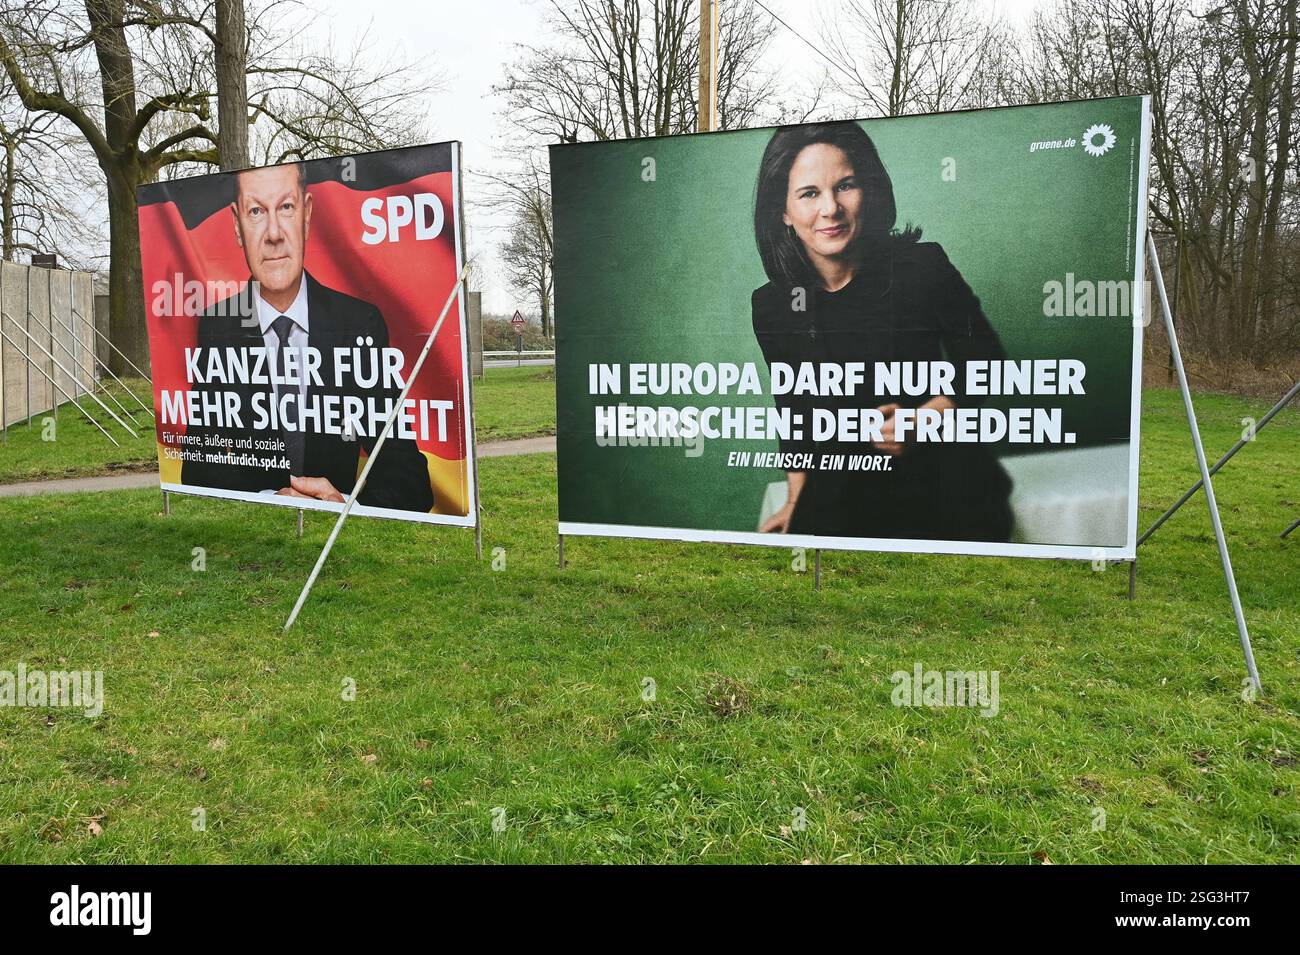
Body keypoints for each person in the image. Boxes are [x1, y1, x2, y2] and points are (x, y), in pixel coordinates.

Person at [751, 122, 1012, 542]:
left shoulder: (922, 267)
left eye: (846, 185)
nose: (831, 209)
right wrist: (796, 501)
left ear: (868, 190)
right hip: (842, 480)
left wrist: (927, 418)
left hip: (939, 468)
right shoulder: (772, 304)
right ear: (782, 210)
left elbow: (986, 360)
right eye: (809, 193)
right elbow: (794, 407)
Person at [180, 162, 434, 513]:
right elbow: (197, 470)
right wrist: (269, 500)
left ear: (307, 214)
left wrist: (343, 505)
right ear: (237, 226)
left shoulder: (360, 324)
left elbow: (410, 481)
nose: (273, 233)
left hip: (336, 550)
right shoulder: (216, 326)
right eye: (256, 211)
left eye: (286, 207)